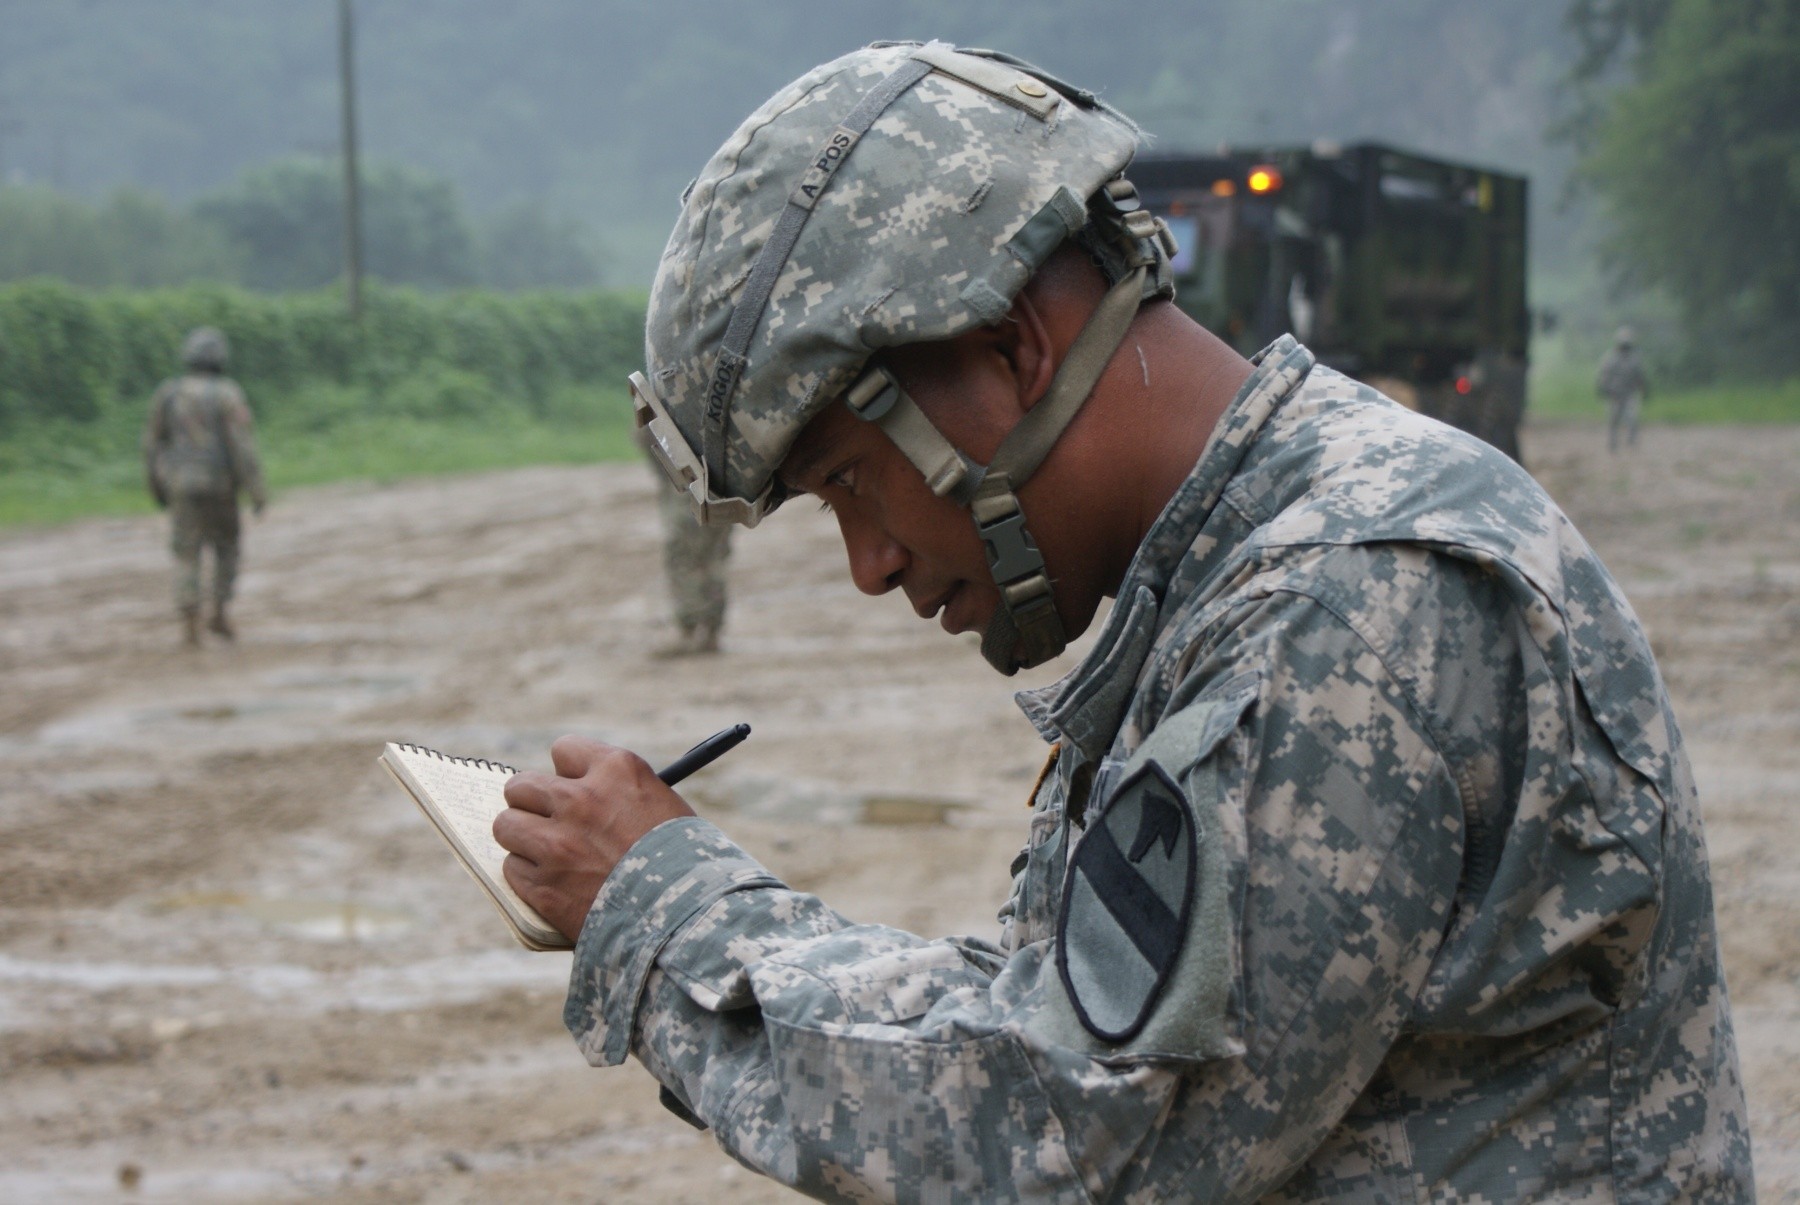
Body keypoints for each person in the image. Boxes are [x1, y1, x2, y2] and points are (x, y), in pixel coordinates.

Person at [494, 43, 1752, 1200]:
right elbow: (1075, 1022)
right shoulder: (1254, 564)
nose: (869, 564)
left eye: (848, 480)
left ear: (1008, 351)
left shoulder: (1342, 610)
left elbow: (1069, 1132)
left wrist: (673, 912)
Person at [142, 326, 266, 646]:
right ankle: (219, 612)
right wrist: (255, 490)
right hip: (220, 486)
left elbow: (152, 445)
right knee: (226, 547)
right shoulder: (227, 394)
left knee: (187, 552)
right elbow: (242, 446)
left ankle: (189, 620)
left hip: (180, 486)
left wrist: (156, 484)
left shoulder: (168, 394)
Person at [634, 425, 732, 657]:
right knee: (713, 556)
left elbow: (652, 438)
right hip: (721, 486)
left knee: (684, 556)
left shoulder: (665, 394)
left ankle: (691, 630)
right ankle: (710, 630)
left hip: (687, 486)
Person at [1597, 325, 1650, 453]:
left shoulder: (1634, 359)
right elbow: (1604, 375)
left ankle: (1632, 442)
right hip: (1614, 393)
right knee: (1614, 419)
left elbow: (1639, 375)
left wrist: (1643, 388)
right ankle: (1612, 443)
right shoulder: (1610, 358)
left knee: (1632, 418)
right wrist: (1603, 388)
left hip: (1629, 393)